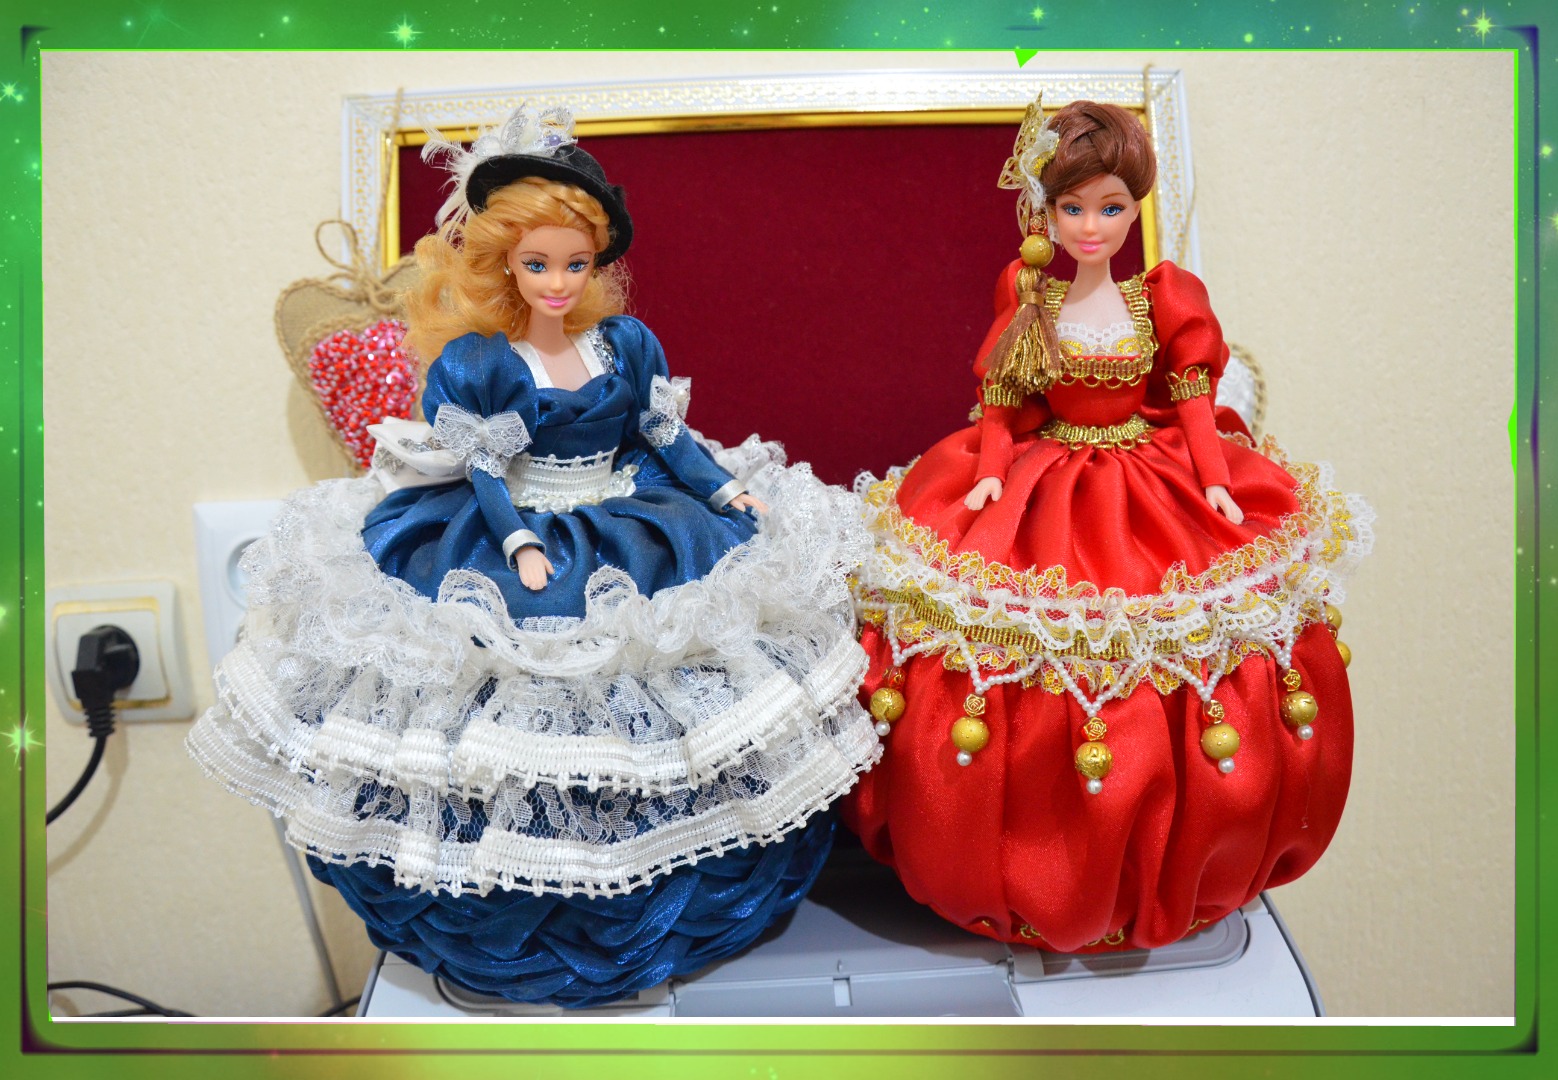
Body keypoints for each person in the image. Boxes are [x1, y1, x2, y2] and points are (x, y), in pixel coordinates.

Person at [188, 103, 878, 1008]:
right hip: (509, 526)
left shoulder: (623, 344)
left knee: (679, 656)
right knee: (499, 664)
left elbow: (663, 436)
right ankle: (516, 889)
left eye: (576, 263)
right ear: (505, 264)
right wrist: (515, 538)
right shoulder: (482, 362)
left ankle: (668, 866)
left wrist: (721, 492)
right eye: (538, 263)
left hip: (630, 517)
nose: (558, 282)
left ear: (598, 263)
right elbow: (483, 469)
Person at [842, 96, 1373, 953]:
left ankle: (1165, 867)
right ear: (1046, 213)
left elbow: (1193, 400)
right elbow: (1003, 400)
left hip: (1150, 485)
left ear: (1135, 209)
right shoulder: (1030, 296)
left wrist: (1217, 482)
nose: (1092, 227)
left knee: (1188, 638)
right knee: (999, 638)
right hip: (1040, 484)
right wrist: (987, 474)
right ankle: (1027, 866)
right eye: (1073, 208)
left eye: (1112, 207)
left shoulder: (1161, 298)